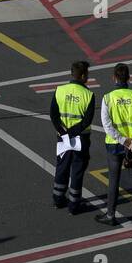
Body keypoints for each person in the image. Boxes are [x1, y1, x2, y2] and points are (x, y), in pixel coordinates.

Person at [95, 63, 132, 226]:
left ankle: (111, 215)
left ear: (114, 78)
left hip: (114, 145)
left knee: (114, 179)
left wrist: (122, 140)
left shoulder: (107, 98)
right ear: (129, 78)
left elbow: (106, 125)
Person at [50, 60, 95, 214]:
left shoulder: (60, 90)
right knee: (77, 170)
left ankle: (58, 199)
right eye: (87, 74)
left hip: (62, 137)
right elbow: (87, 120)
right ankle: (74, 205)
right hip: (80, 139)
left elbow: (53, 114)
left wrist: (63, 131)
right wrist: (73, 131)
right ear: (82, 76)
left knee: (62, 166)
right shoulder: (88, 95)